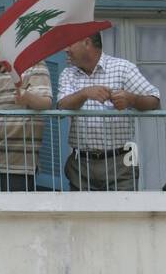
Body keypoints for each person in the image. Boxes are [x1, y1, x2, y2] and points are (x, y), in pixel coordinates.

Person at [57, 32, 160, 191]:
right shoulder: (68, 74)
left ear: (86, 42)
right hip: (81, 163)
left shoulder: (123, 68)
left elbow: (155, 101)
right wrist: (85, 93)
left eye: (70, 44)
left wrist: (131, 99)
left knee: (123, 214)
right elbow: (62, 105)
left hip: (121, 160)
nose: (66, 49)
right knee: (82, 216)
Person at [0, 17, 52, 190]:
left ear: (1, 42)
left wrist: (27, 97)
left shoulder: (34, 66)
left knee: (14, 215)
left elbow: (45, 102)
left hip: (19, 165)